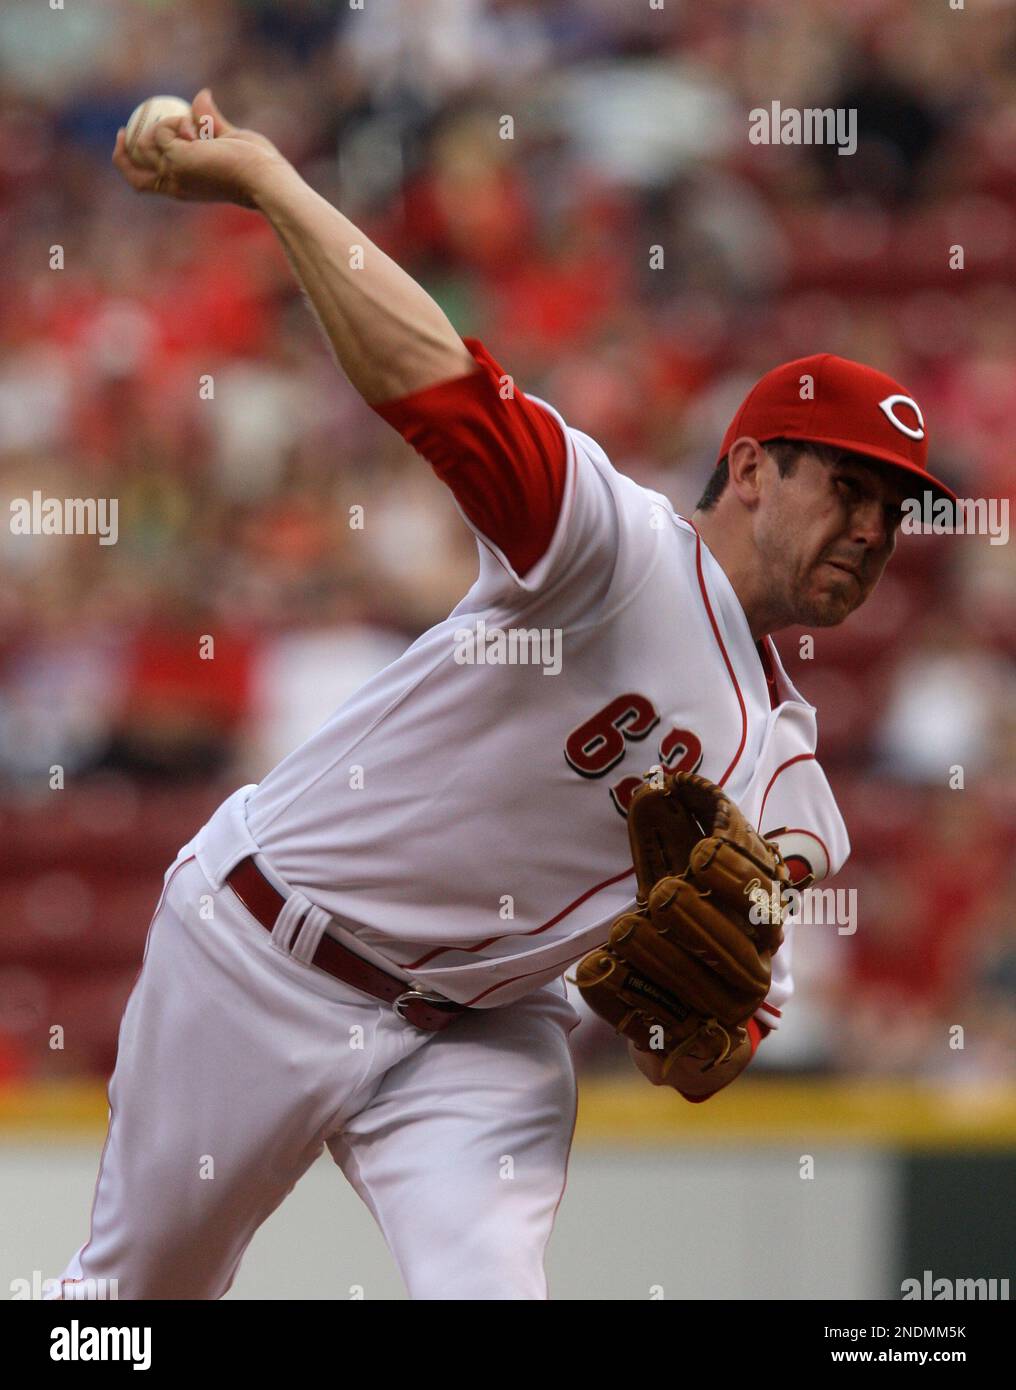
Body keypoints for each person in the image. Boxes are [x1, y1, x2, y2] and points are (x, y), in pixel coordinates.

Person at [50, 89, 955, 1300]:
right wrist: (271, 182)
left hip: (477, 1034)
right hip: (265, 946)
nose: (872, 530)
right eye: (848, 489)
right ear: (747, 466)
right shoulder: (612, 549)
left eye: (892, 512)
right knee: (126, 1314)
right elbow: (437, 388)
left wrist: (694, 1031)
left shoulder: (794, 795)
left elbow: (717, 1045)